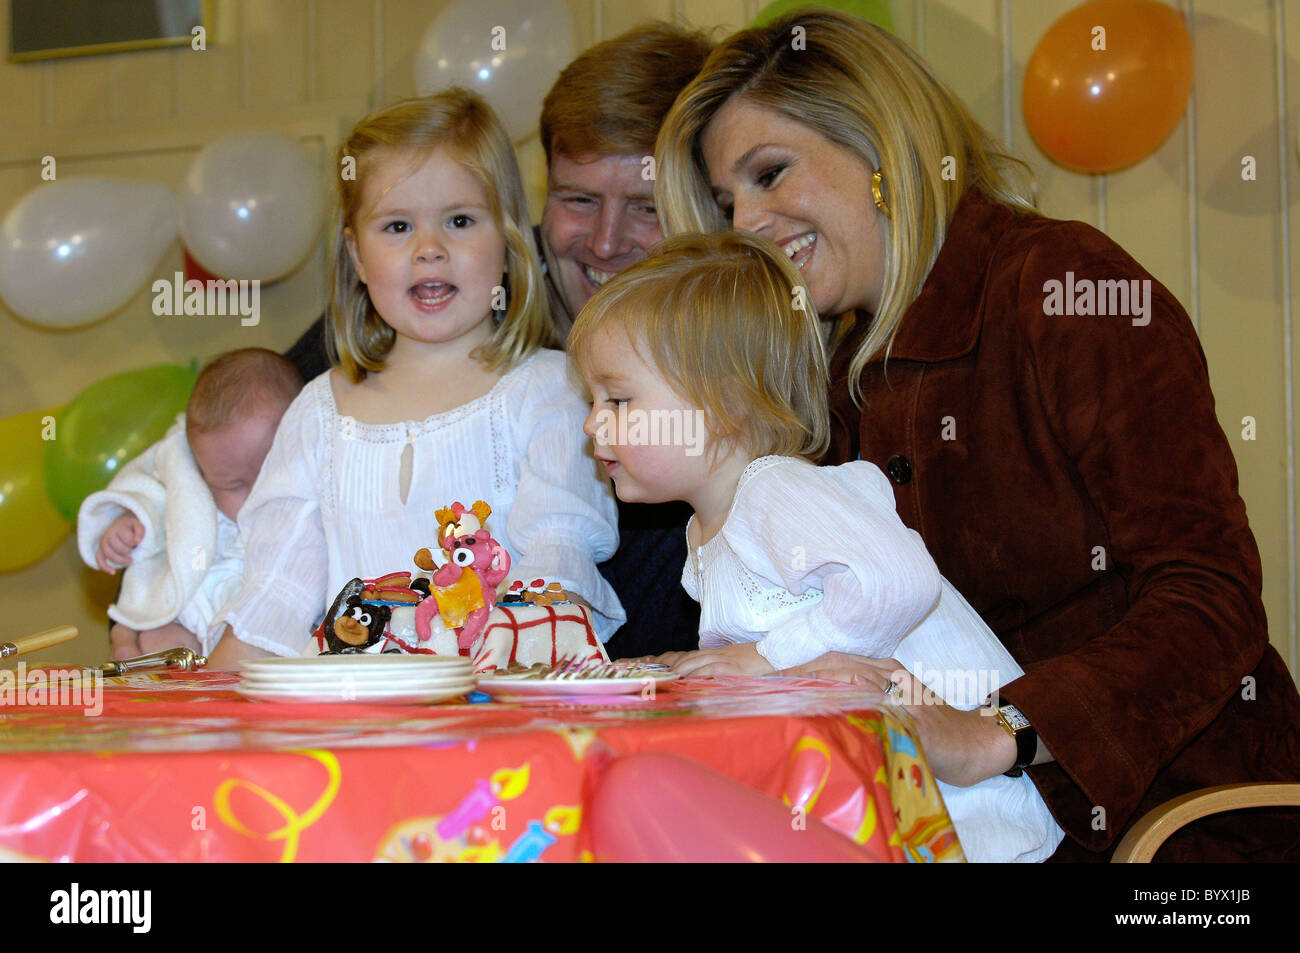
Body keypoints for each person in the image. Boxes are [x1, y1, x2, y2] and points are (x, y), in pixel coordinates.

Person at [655, 8, 1300, 861]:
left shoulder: (1063, 286)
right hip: (949, 820)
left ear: (882, 144)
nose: (748, 223)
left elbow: (1208, 599)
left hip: (1178, 822)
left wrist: (1002, 729)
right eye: (728, 202)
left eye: (771, 173)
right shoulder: (831, 369)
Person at [568, 230, 1064, 861]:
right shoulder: (707, 533)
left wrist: (766, 657)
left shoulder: (777, 492)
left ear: (725, 403)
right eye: (591, 401)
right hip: (871, 808)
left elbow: (897, 584)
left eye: (617, 399)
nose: (592, 423)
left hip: (965, 822)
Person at [284, 24, 713, 660]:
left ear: (708, 207)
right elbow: (251, 425)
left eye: (647, 207)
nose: (603, 241)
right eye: (578, 199)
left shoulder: (733, 386)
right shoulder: (447, 291)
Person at [204, 89, 621, 668]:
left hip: (495, 716)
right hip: (348, 727)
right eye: (397, 226)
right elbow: (277, 592)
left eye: (459, 220)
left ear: (506, 239)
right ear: (355, 254)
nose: (430, 250)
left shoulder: (553, 391)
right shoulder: (316, 412)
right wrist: (204, 707)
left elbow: (557, 553)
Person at [77, 348, 303, 660]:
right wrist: (127, 523)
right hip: (194, 611)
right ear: (201, 472)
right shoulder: (190, 485)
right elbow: (153, 495)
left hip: (264, 627)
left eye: (270, 469)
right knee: (160, 643)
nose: (256, 493)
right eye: (234, 485)